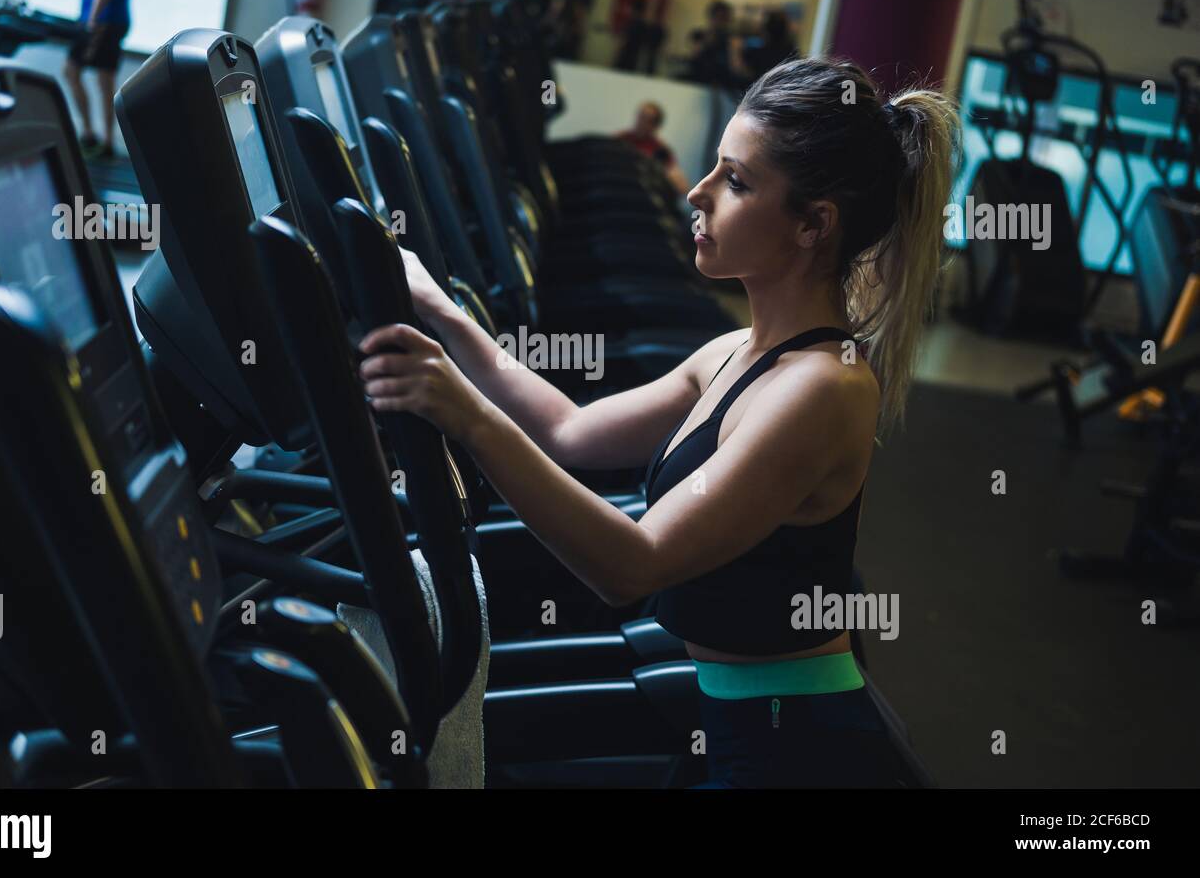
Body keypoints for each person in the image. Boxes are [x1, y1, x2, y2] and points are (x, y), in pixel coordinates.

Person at [357, 57, 960, 787]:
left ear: (814, 225)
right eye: (714, 169)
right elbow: (570, 430)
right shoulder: (736, 351)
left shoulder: (821, 389)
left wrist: (468, 416)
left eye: (736, 181)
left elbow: (632, 565)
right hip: (730, 712)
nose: (697, 195)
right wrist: (443, 314)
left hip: (795, 747)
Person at [64, 0, 133, 160]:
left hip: (103, 21)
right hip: (113, 20)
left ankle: (90, 134)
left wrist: (93, 17)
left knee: (71, 71)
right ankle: (105, 140)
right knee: (105, 80)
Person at [616, 101, 689, 196]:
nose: (640, 122)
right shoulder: (620, 139)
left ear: (655, 126)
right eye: (640, 117)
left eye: (646, 120)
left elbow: (682, 188)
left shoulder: (661, 149)